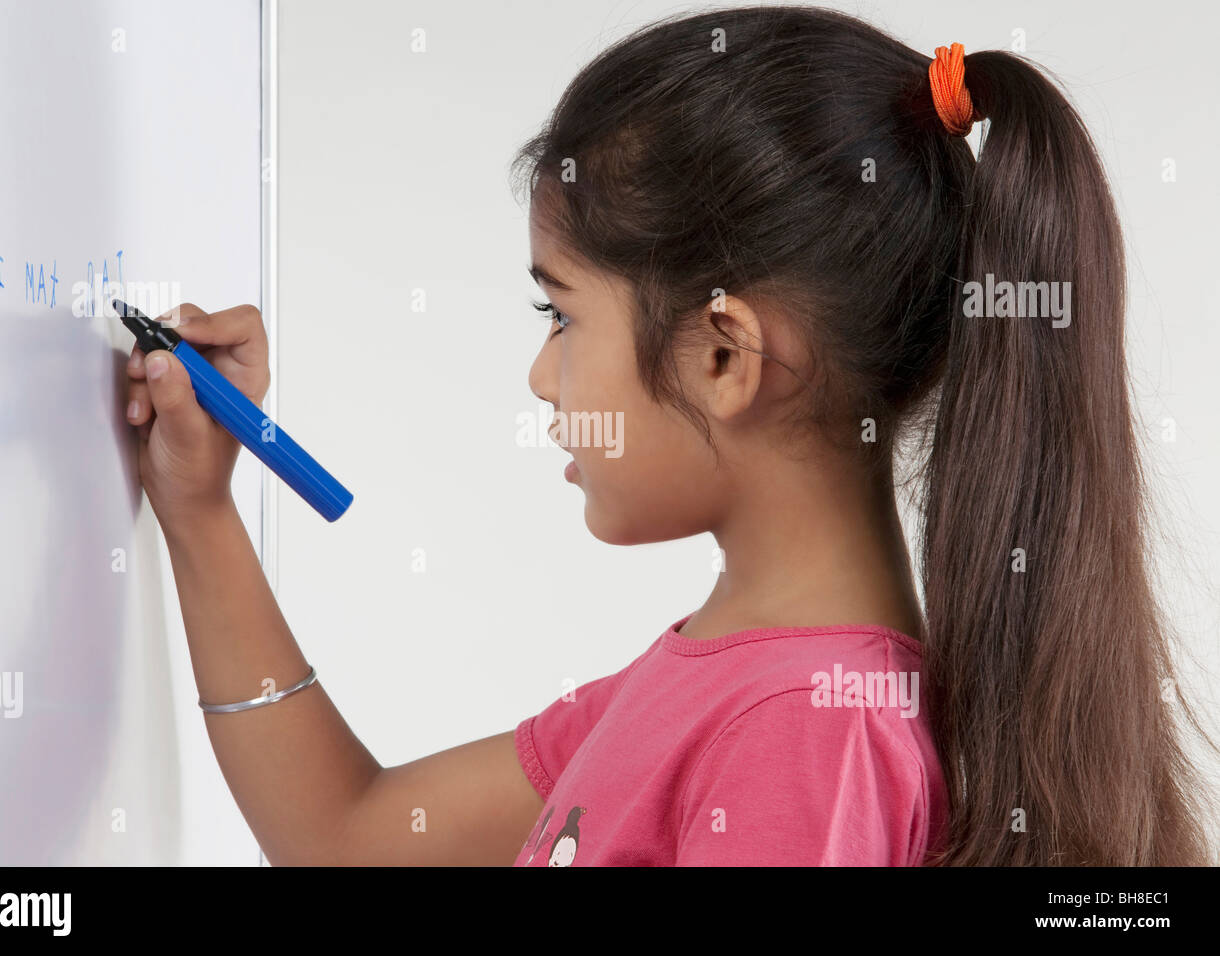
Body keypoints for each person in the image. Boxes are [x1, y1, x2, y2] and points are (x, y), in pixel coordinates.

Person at [123, 5, 1215, 866]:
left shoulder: (805, 729)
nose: (541, 376)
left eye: (559, 314)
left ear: (724, 356)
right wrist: (200, 507)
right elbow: (349, 834)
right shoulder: (729, 683)